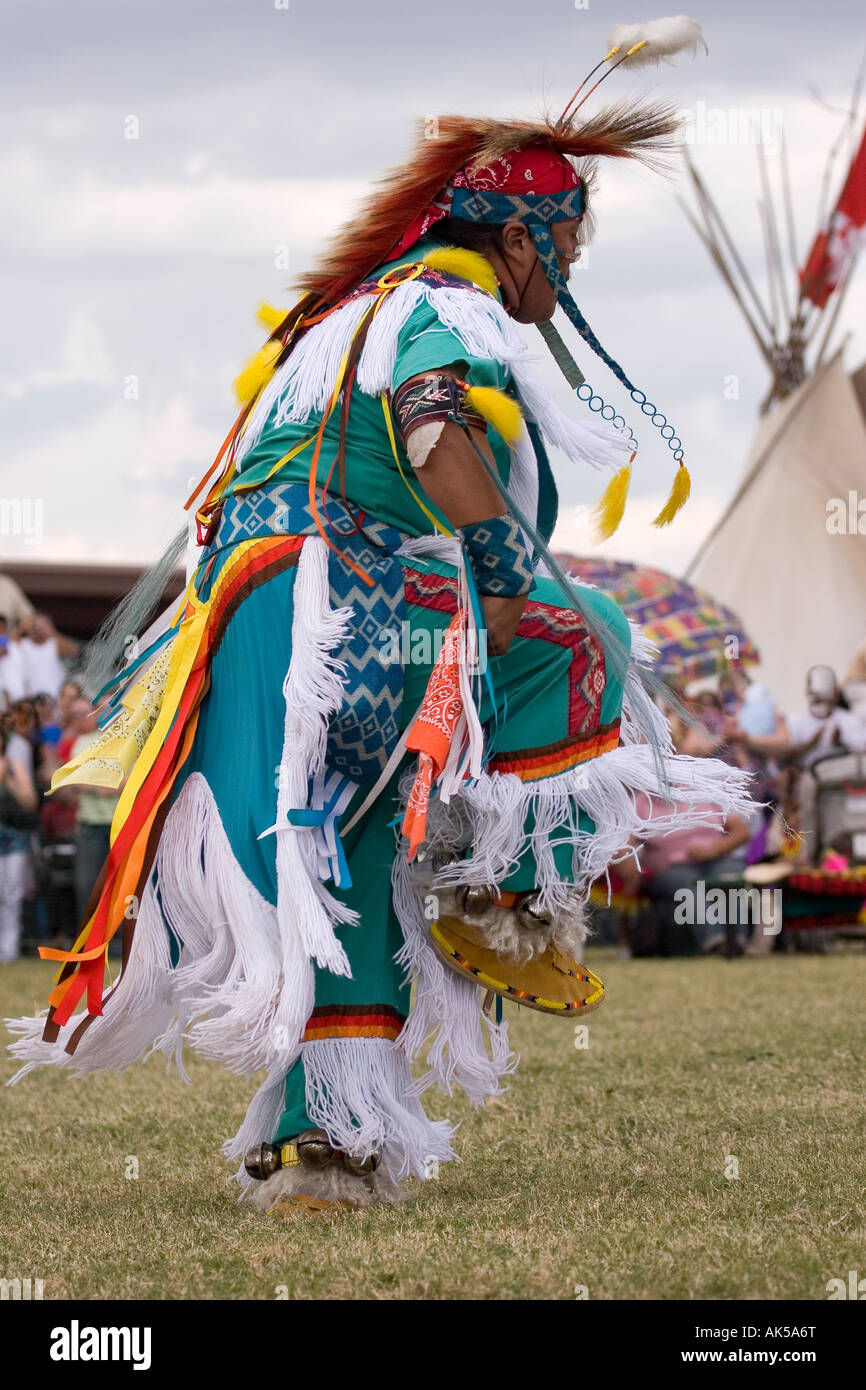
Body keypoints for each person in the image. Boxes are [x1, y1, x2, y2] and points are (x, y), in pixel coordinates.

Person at [9, 24, 749, 1213]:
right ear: (516, 239)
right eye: (564, 250)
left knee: (343, 861)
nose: (563, 280)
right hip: (347, 607)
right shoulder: (451, 313)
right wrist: (502, 569)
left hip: (241, 627)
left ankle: (330, 1148)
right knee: (588, 632)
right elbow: (428, 424)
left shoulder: (324, 330)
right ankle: (496, 885)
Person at [0, 727, 38, 962]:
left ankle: (9, 949)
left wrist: (8, 781)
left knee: (12, 894)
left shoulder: (15, 766)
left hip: (13, 840)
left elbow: (30, 802)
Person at [17, 613, 78, 700]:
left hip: (54, 696)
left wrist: (51, 632)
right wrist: (21, 628)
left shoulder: (54, 643)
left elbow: (74, 651)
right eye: (34, 625)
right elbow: (6, 643)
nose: (37, 628)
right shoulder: (23, 643)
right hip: (31, 698)